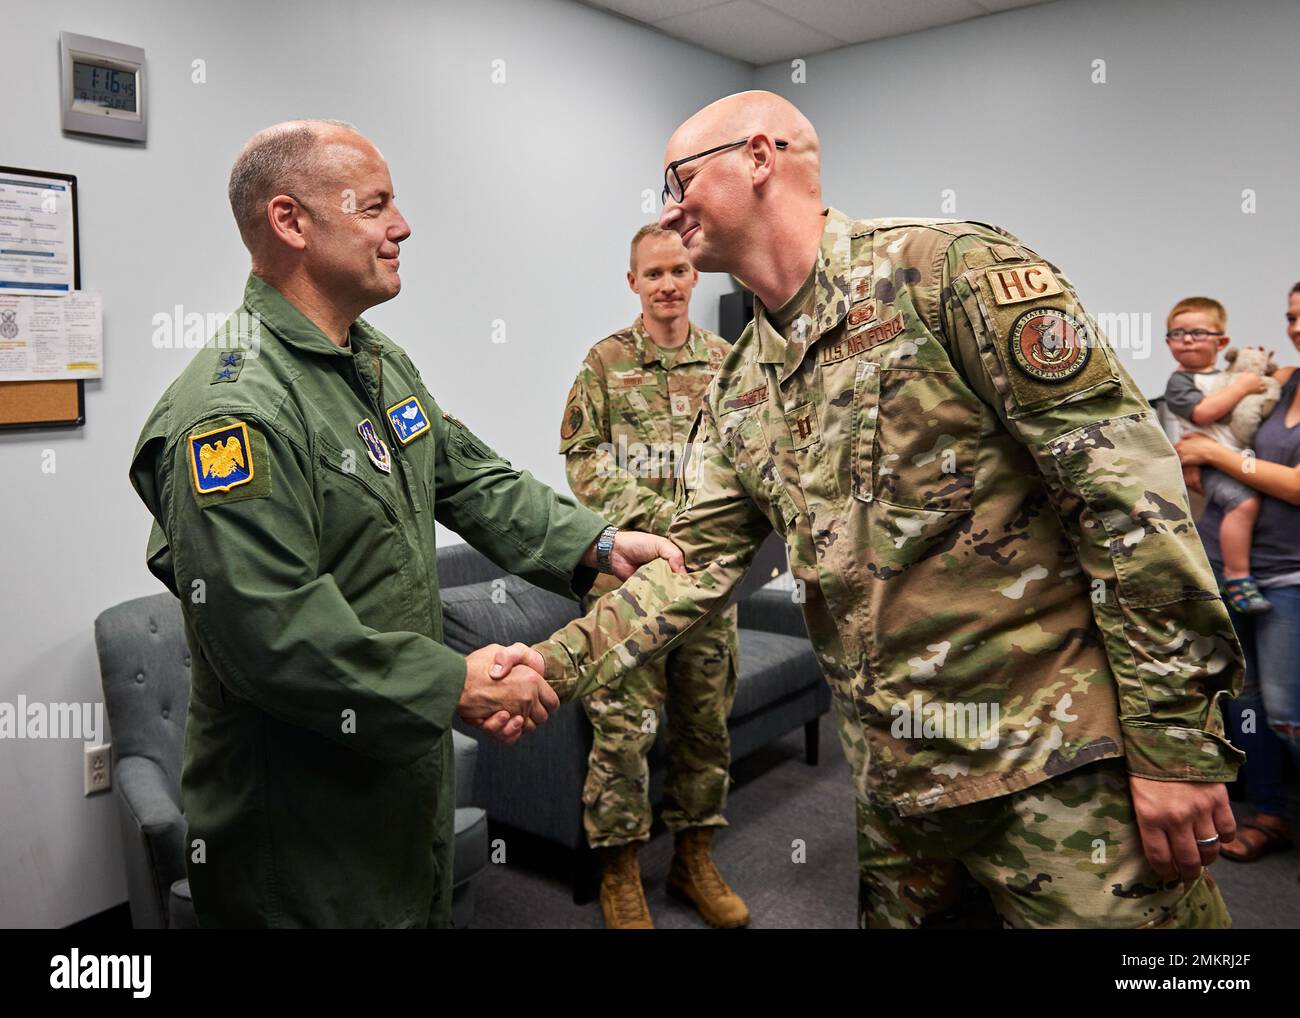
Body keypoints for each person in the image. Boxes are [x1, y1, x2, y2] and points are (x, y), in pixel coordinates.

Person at [502, 91, 1245, 928]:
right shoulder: (740, 385)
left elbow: (1126, 502)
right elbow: (689, 564)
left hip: (1059, 773)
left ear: (757, 158)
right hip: (896, 797)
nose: (669, 210)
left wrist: (1175, 745)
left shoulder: (949, 275)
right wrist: (549, 666)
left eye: (677, 178)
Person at [128, 120, 682, 928]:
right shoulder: (233, 409)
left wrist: (595, 543)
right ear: (291, 223)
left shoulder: (374, 363)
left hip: (399, 778)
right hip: (301, 825)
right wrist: (454, 682)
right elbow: (270, 629)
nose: (403, 225)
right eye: (376, 205)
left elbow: (469, 475)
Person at [560, 224, 744, 928]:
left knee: (705, 730)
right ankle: (621, 875)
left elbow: (750, 463)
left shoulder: (730, 366)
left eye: (678, 269)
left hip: (702, 587)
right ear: (632, 282)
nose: (667, 284)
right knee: (624, 734)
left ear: (694, 275)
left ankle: (693, 863)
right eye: (652, 273)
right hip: (626, 589)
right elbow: (582, 458)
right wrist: (661, 516)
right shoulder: (604, 363)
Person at [1176, 281, 1300, 866]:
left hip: (1291, 577)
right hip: (1233, 566)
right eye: (1291, 317)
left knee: (1287, 712)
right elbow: (1200, 435)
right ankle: (1270, 814)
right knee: (1242, 700)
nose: (1295, 328)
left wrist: (1216, 455)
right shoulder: (1283, 384)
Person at [1162, 297, 1274, 614]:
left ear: (1221, 342)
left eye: (1197, 332)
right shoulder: (1179, 381)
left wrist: (1258, 373)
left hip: (1233, 458)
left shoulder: (1223, 377)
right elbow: (1202, 413)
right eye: (1176, 333)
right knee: (1244, 503)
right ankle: (1237, 578)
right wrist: (1242, 388)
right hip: (1212, 465)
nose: (1186, 339)